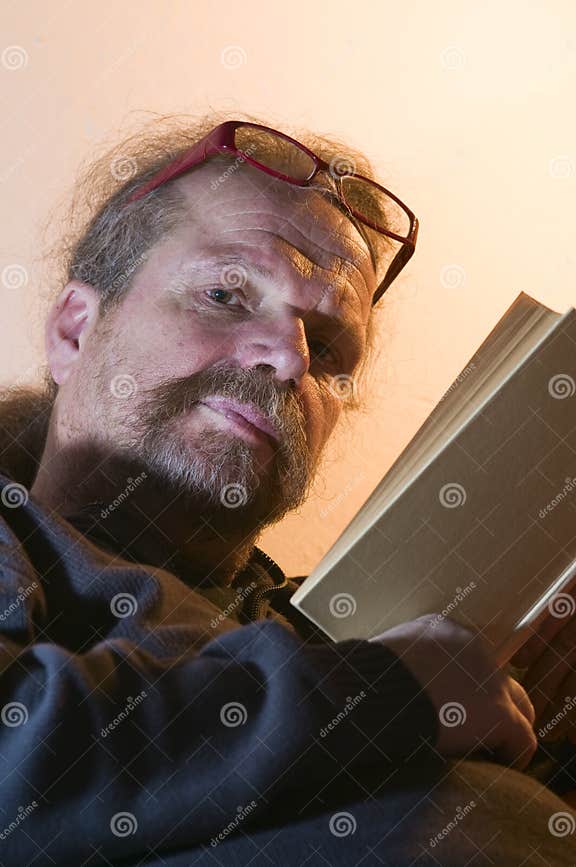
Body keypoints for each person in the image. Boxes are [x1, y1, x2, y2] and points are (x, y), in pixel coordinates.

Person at [0, 111, 574, 866]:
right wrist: (381, 695)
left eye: (330, 344)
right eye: (228, 295)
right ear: (75, 329)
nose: (291, 357)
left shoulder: (341, 629)